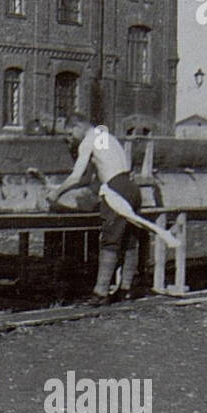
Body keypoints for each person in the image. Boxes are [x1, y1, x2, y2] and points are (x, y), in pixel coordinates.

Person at [48, 113, 144, 305]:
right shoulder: (108, 137)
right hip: (132, 188)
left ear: (78, 126)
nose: (71, 138)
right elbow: (87, 178)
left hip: (116, 189)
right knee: (129, 241)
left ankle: (100, 293)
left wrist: (56, 193)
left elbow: (77, 176)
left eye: (70, 133)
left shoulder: (88, 141)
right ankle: (126, 289)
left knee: (110, 241)